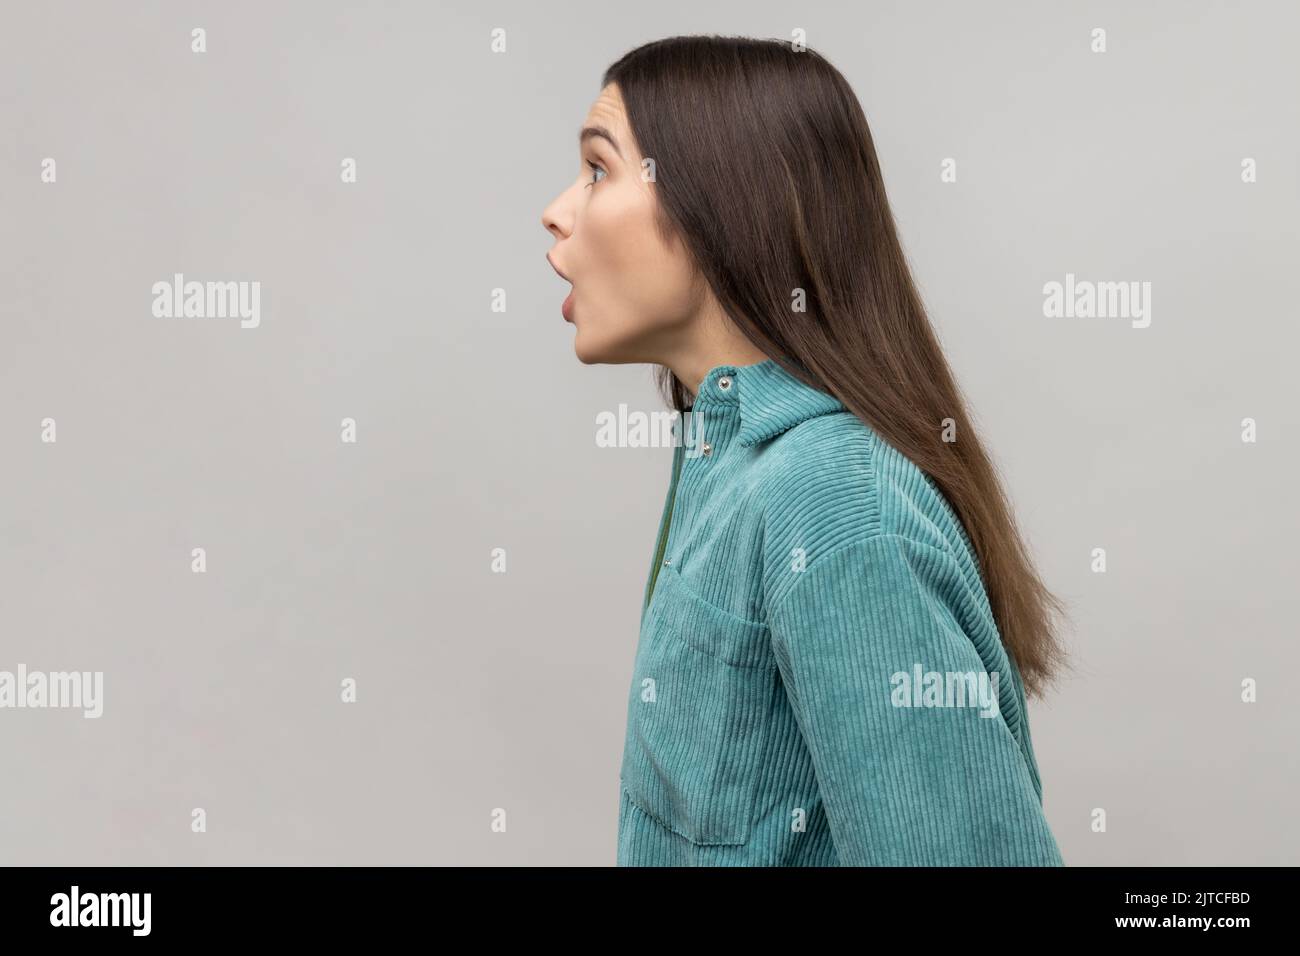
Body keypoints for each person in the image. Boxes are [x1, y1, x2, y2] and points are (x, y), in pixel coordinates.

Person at [541, 35, 1069, 866]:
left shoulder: (833, 506)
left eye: (599, 170)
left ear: (718, 201)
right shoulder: (726, 457)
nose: (558, 210)